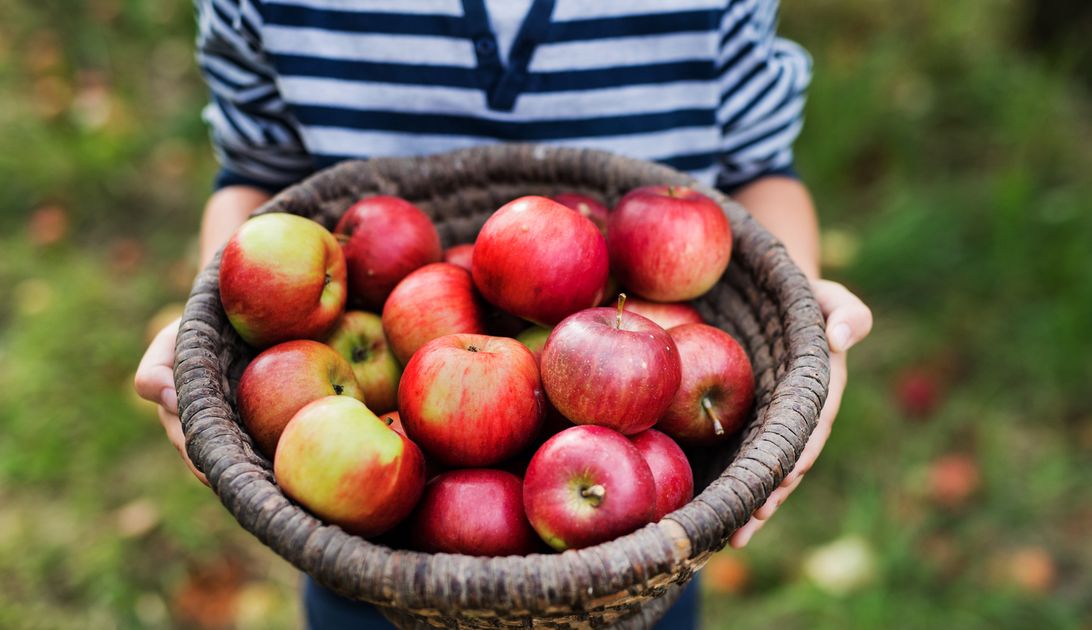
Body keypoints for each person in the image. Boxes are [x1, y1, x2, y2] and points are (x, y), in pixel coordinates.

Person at [134, 1, 872, 627]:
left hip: (641, 546)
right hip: (368, 557)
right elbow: (255, 179)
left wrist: (800, 306)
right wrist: (221, 328)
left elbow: (761, 164)